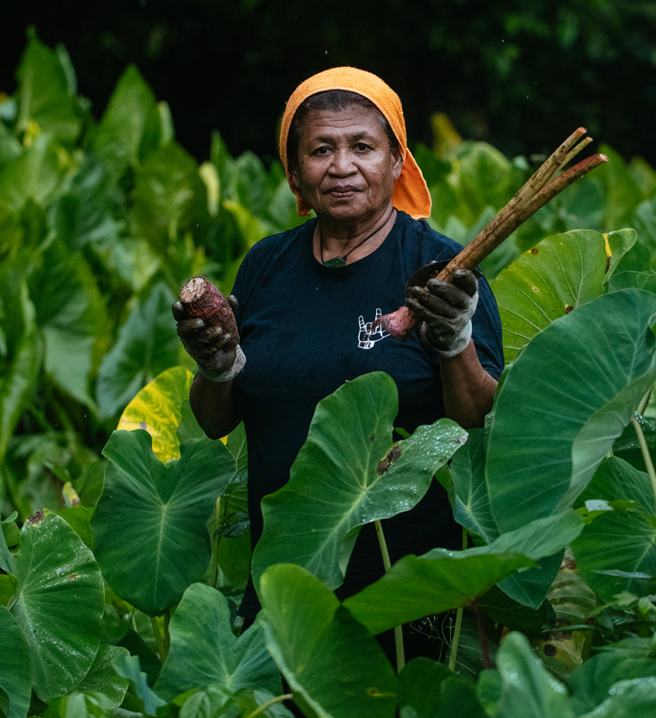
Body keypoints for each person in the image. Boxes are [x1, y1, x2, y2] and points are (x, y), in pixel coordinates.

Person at [174, 66, 503, 647]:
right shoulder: (265, 266)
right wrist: (216, 367)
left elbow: (481, 421)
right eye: (321, 149)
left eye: (363, 147)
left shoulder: (443, 272)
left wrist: (454, 342)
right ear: (296, 172)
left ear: (398, 161)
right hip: (285, 593)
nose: (342, 166)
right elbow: (216, 417)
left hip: (414, 602)